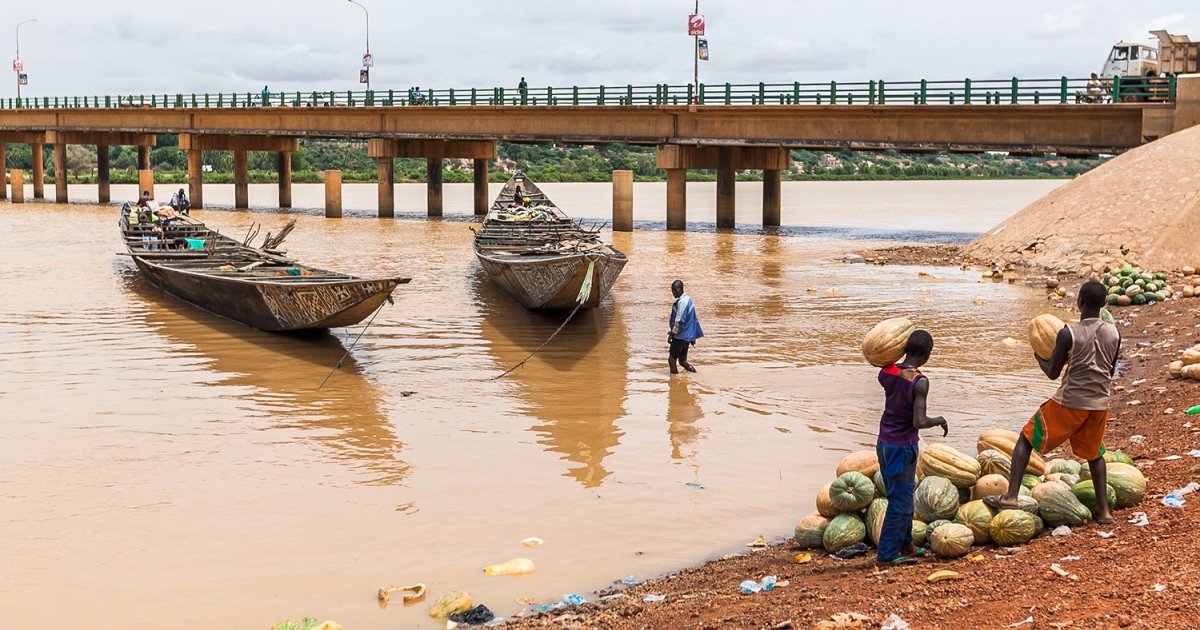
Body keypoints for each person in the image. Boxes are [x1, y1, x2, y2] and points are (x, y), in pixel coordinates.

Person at [985, 281, 1120, 524]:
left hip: (1068, 402)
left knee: (1025, 439)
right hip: (1099, 403)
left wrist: (1039, 356)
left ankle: (1011, 496)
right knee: (1095, 454)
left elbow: (1052, 372)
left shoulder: (1068, 333)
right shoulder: (1114, 332)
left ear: (1079, 302)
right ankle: (1104, 511)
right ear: (1104, 305)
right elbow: (1109, 371)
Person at [875, 330, 949, 566]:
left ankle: (905, 544)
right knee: (901, 501)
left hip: (884, 442)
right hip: (903, 446)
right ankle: (887, 555)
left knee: (902, 494)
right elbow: (919, 421)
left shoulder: (887, 372)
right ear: (927, 355)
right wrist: (938, 419)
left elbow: (892, 372)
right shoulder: (920, 381)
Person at [668, 280, 703, 374]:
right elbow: (693, 320)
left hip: (680, 336)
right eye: (672, 290)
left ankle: (674, 383)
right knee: (682, 361)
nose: (673, 292)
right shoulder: (688, 299)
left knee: (672, 360)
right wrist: (692, 337)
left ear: (681, 289)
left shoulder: (682, 302)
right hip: (687, 336)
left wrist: (672, 333)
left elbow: (679, 321)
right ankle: (696, 375)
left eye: (675, 290)